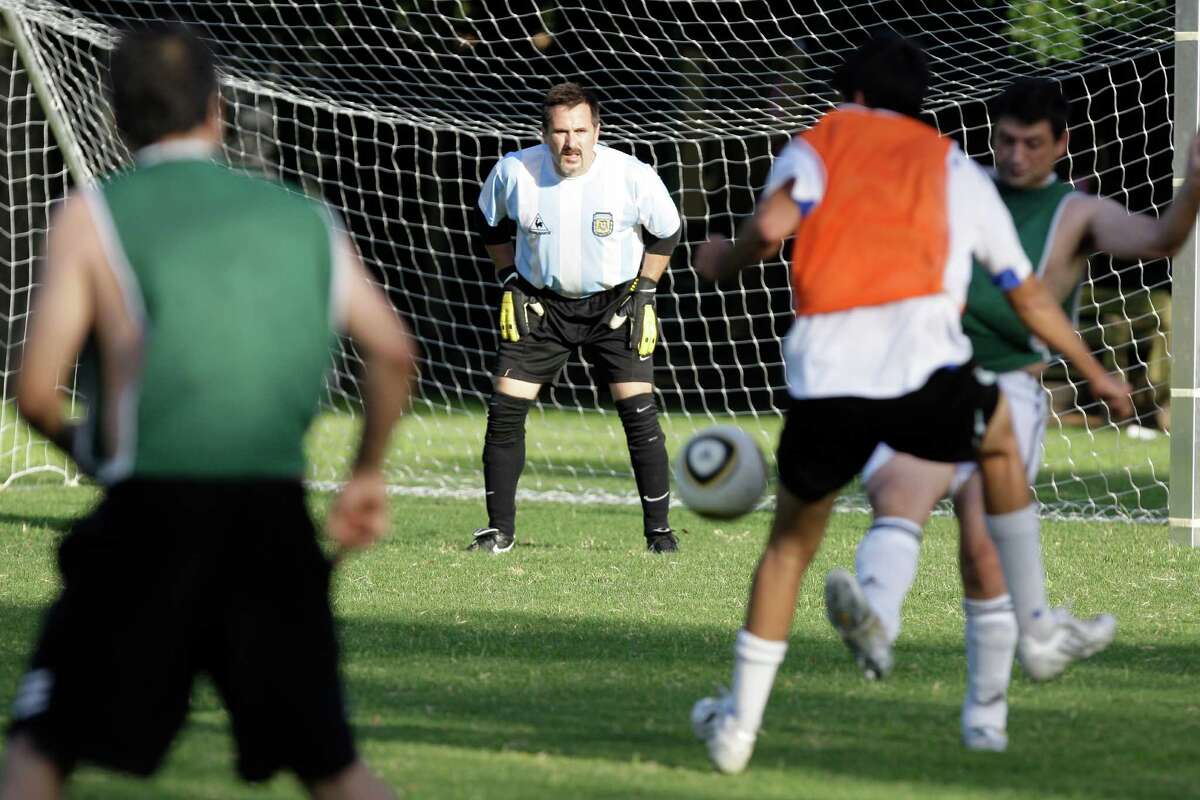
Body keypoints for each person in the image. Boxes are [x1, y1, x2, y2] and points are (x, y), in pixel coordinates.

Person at [686, 35, 1132, 775]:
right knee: (998, 442)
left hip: (829, 375)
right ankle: (1039, 626)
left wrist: (719, 261)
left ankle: (737, 731)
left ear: (852, 96)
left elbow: (768, 230)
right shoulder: (955, 166)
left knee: (790, 549)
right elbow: (1024, 292)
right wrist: (1095, 372)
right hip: (926, 367)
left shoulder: (820, 143)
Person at [1, 26, 416, 800]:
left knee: (39, 750)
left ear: (117, 117)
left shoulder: (93, 216)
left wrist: (90, 451)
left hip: (152, 517)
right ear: (217, 110)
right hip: (274, 522)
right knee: (333, 766)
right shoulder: (305, 217)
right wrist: (364, 475)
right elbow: (392, 353)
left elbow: (34, 392)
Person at [823, 77, 1200, 751]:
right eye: (1004, 140)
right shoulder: (961, 186)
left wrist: (1194, 184)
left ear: (1062, 144)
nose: (1016, 156)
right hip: (932, 374)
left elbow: (1160, 239)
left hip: (1014, 393)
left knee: (982, 550)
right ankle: (876, 619)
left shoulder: (1075, 212)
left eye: (1032, 143)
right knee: (896, 492)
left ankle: (985, 716)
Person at [468, 81, 683, 554]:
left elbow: (666, 233)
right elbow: (488, 225)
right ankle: (497, 531)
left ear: (597, 130)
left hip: (615, 305)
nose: (572, 142)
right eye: (561, 131)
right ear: (545, 133)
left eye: (581, 130)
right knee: (504, 412)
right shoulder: (514, 172)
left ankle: (660, 534)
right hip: (540, 306)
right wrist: (509, 279)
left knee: (639, 414)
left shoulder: (632, 175)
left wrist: (645, 290)